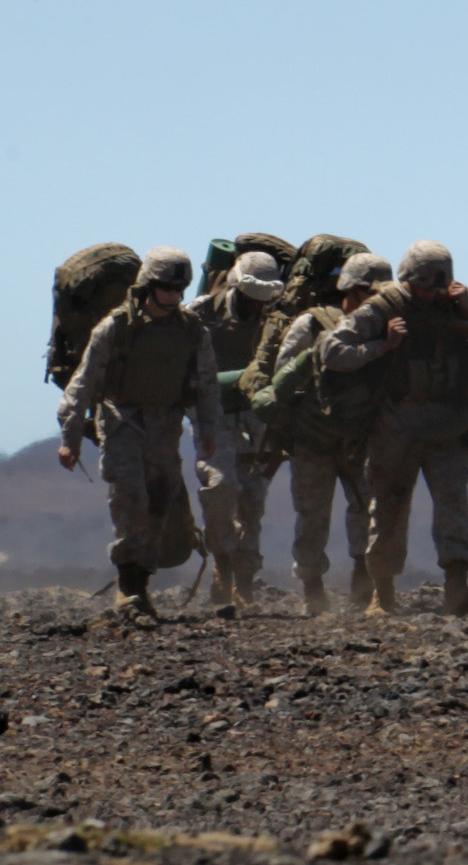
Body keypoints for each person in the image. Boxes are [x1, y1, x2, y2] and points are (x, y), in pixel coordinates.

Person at [318, 241, 468, 617]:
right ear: (407, 279)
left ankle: (456, 588)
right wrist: (382, 345)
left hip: (448, 423)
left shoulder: (458, 300)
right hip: (395, 423)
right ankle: (383, 594)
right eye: (425, 285)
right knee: (388, 505)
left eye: (439, 286)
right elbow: (333, 351)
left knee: (453, 501)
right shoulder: (382, 307)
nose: (432, 294)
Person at [56, 248, 232, 621]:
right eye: (166, 288)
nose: (173, 296)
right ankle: (130, 586)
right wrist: (70, 438)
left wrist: (206, 431)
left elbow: (206, 386)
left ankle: (141, 583)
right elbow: (83, 383)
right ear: (148, 286)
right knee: (130, 494)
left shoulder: (190, 330)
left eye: (178, 289)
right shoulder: (116, 327)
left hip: (166, 425)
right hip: (122, 420)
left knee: (159, 501)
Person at [247, 250, 387, 614]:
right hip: (312, 439)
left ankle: (364, 579)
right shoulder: (311, 324)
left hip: (359, 439)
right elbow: (283, 379)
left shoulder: (384, 328)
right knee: (312, 516)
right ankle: (313, 589)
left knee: (367, 510)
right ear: (353, 291)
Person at [193, 248, 293, 607]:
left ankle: (245, 578)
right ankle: (223, 560)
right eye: (250, 299)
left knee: (252, 499)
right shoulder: (201, 313)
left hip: (258, 413)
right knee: (220, 489)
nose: (255, 307)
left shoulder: (278, 319)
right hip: (212, 412)